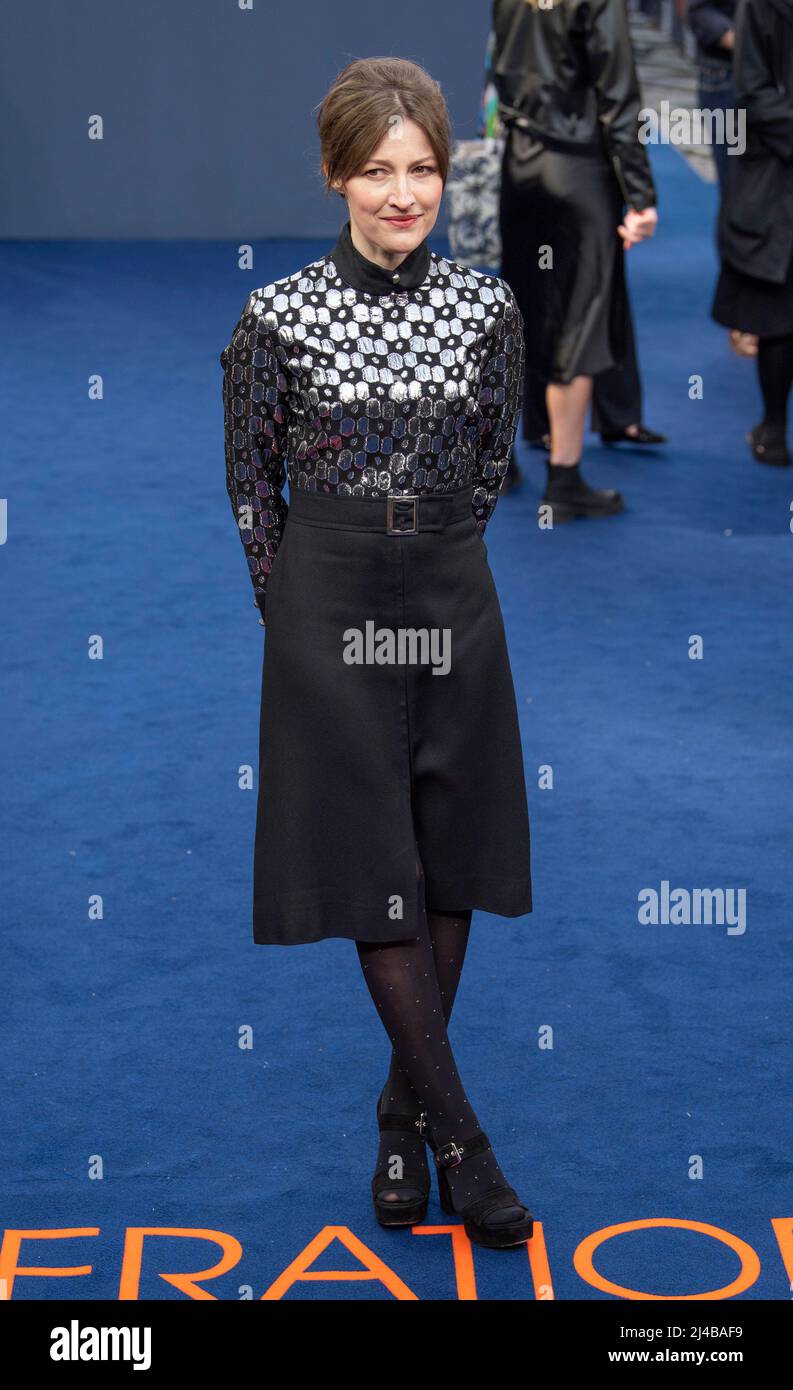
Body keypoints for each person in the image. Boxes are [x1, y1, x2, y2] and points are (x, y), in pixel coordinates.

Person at [220, 57, 535, 1248]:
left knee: (450, 851)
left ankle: (401, 1116)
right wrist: (292, 619)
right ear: (335, 176)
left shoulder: (486, 310)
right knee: (372, 861)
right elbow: (253, 488)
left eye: (422, 171)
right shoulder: (279, 315)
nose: (402, 194)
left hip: (451, 582)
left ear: (443, 176)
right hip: (328, 600)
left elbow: (493, 461)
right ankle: (462, 1138)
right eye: (377, 171)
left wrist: (440, 558)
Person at [492, 0, 659, 521]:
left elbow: (503, 66)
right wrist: (641, 193)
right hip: (577, 168)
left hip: (520, 164)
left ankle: (500, 459)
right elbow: (618, 93)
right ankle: (563, 480)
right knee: (579, 320)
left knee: (521, 311)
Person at [711, 0, 793, 465]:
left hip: (774, 170)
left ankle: (773, 428)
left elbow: (754, 89)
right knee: (780, 310)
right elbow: (754, 92)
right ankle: (775, 427)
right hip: (777, 181)